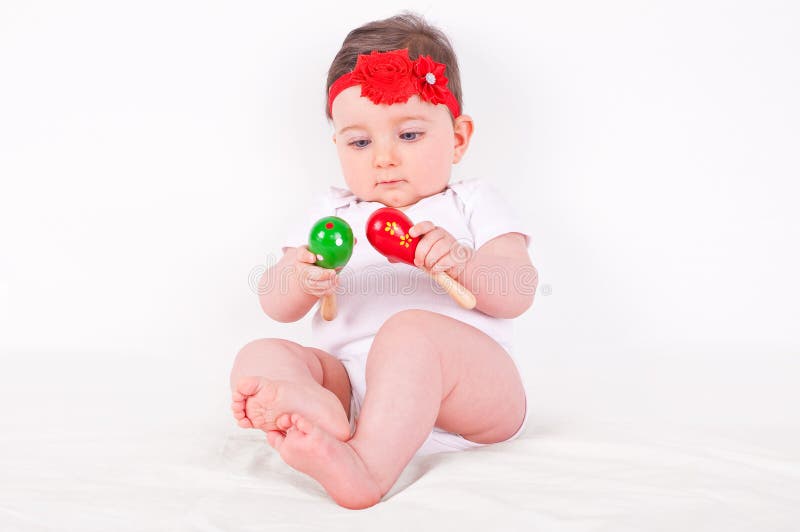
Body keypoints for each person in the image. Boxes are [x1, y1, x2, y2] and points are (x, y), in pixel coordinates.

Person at [229, 11, 538, 510]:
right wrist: (302, 277)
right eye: (360, 141)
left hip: (474, 393)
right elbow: (275, 303)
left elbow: (517, 291)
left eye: (409, 135)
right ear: (338, 146)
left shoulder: (471, 202)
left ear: (458, 138)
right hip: (359, 391)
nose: (384, 158)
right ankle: (321, 409)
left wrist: (460, 261)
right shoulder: (333, 213)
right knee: (261, 353)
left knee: (410, 330)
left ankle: (367, 468)